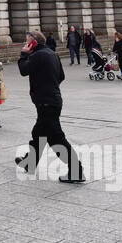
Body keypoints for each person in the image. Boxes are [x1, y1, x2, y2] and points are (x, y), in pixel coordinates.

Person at [15, 31, 84, 183]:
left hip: (46, 102)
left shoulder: (36, 55)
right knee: (39, 134)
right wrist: (50, 86)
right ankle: (30, 163)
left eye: (27, 42)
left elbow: (23, 70)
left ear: (33, 42)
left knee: (56, 139)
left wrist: (23, 54)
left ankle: (77, 171)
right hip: (52, 100)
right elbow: (61, 76)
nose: (25, 45)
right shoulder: (52, 53)